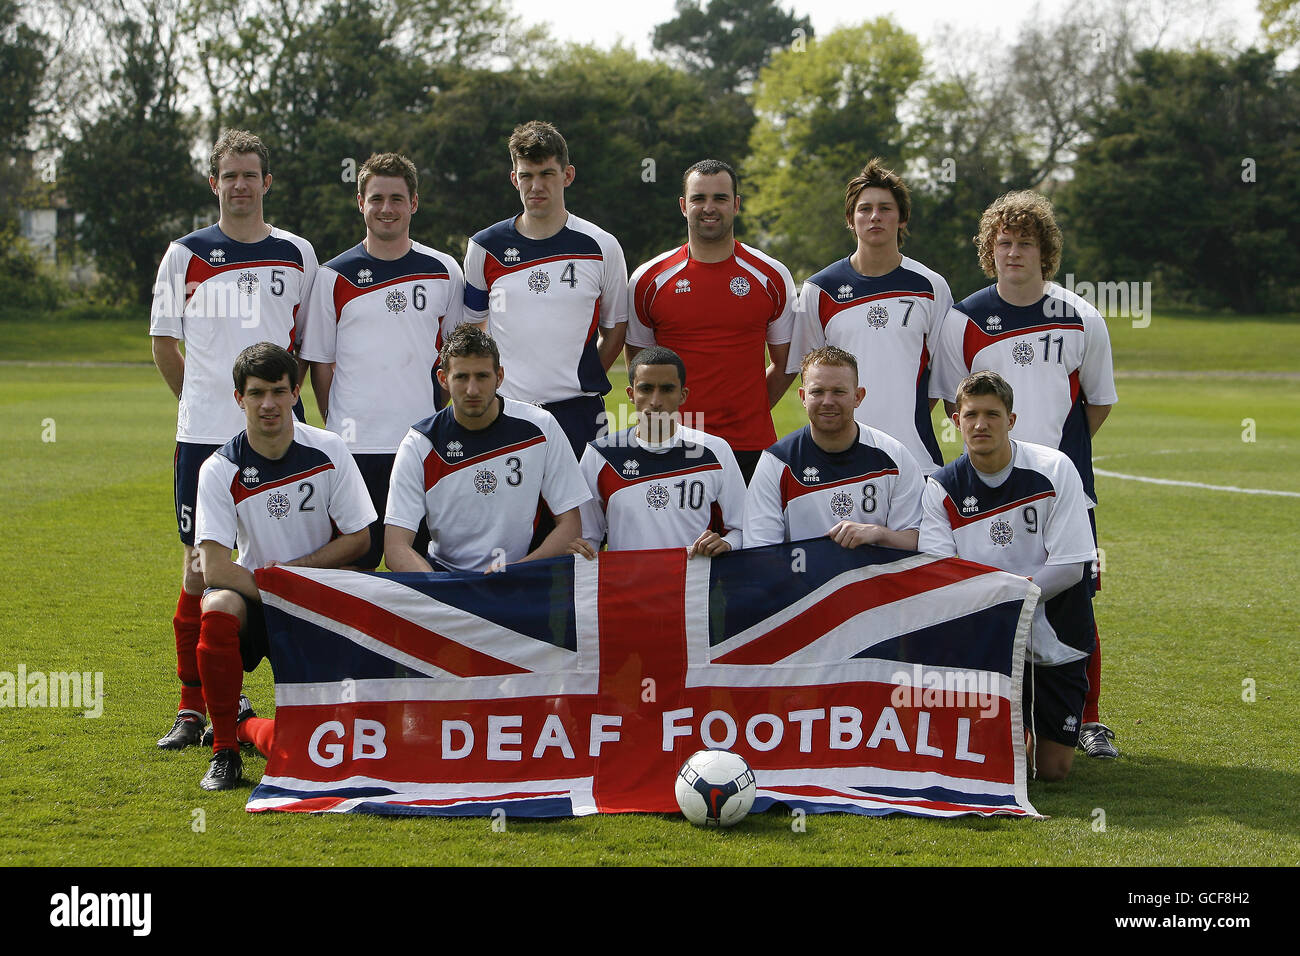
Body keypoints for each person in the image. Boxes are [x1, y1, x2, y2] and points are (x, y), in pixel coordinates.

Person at [931, 190, 1119, 759]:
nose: (1014, 252)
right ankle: (1003, 714)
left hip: (1062, 484)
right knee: (992, 591)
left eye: (1026, 243)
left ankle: (1085, 720)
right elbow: (955, 407)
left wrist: (1053, 464)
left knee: (1074, 597)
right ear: (990, 251)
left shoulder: (1081, 316)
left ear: (1046, 251)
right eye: (1004, 242)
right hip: (991, 486)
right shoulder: (962, 319)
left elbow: (1097, 404)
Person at [150, 129, 319, 751]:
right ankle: (193, 708)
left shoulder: (299, 255)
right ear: (214, 183)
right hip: (205, 439)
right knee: (199, 568)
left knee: (284, 553)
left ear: (266, 182)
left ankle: (304, 691)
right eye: (230, 175)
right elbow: (164, 342)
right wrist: (201, 407)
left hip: (281, 439)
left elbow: (305, 349)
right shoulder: (184, 254)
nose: (241, 184)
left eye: (252, 174)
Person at [192, 344, 375, 790]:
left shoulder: (329, 449)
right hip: (258, 597)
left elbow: (360, 539)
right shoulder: (219, 468)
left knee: (326, 746)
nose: (268, 404)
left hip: (319, 601)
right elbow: (214, 568)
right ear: (239, 398)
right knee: (217, 606)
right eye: (256, 393)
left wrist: (297, 577)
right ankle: (224, 752)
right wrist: (277, 589)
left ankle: (245, 724)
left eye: (278, 391)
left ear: (296, 392)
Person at [919, 371, 1096, 782]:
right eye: (971, 415)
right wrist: (994, 608)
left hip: (1055, 635)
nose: (981, 424)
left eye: (992, 415)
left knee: (1051, 771)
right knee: (990, 762)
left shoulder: (1054, 469)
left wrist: (1008, 597)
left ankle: (1033, 729)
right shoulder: (941, 488)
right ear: (957, 421)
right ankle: (1014, 726)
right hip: (985, 636)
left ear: (1011, 420)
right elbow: (940, 573)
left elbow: (1071, 565)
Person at [299, 152, 465, 569]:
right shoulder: (332, 276)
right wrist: (338, 423)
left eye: (396, 198)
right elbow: (321, 363)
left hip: (421, 445)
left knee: (421, 566)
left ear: (413, 203)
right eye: (376, 199)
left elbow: (455, 358)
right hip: (353, 448)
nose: (386, 209)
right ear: (360, 202)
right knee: (353, 566)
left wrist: (434, 416)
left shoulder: (444, 270)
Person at [461, 121, 628, 460]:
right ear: (514, 179)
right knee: (510, 514)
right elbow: (472, 328)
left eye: (547, 174)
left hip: (580, 414)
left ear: (567, 175)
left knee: (583, 513)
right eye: (527, 176)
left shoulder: (602, 246)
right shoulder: (484, 246)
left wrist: (581, 378)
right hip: (507, 411)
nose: (536, 186)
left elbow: (615, 330)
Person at [626, 159, 797, 482]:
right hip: (672, 443)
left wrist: (750, 411)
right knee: (673, 535)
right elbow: (639, 364)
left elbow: (786, 363)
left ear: (736, 205)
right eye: (698, 198)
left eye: (719, 198)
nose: (709, 208)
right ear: (683, 205)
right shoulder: (648, 279)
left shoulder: (772, 275)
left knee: (749, 535)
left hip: (750, 446)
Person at [785, 158, 954, 475]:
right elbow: (811, 381)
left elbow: (943, 379)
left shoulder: (931, 287)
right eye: (865, 209)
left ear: (902, 218)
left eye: (886, 208)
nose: (875, 216)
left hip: (916, 461)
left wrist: (904, 413)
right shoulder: (820, 289)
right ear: (850, 219)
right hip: (838, 463)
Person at [384, 325, 589, 574]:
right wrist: (443, 593)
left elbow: (570, 525)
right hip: (447, 578)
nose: (472, 389)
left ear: (499, 376)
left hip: (520, 578)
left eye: (482, 376)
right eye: (461, 377)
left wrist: (517, 572)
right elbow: (396, 546)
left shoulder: (540, 427)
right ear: (443, 379)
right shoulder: (420, 443)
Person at [569, 346, 746, 557]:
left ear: (683, 395)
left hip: (691, 587)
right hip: (625, 587)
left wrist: (726, 543)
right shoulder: (600, 455)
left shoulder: (715, 451)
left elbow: (744, 530)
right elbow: (587, 538)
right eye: (645, 388)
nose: (655, 401)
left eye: (667, 389)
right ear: (631, 393)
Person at [744, 346, 925, 550]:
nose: (827, 402)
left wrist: (878, 534)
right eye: (817, 392)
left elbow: (920, 543)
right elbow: (760, 551)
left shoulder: (894, 457)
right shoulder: (776, 463)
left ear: (858, 396)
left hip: (876, 581)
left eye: (838, 392)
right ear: (803, 397)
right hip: (805, 582)